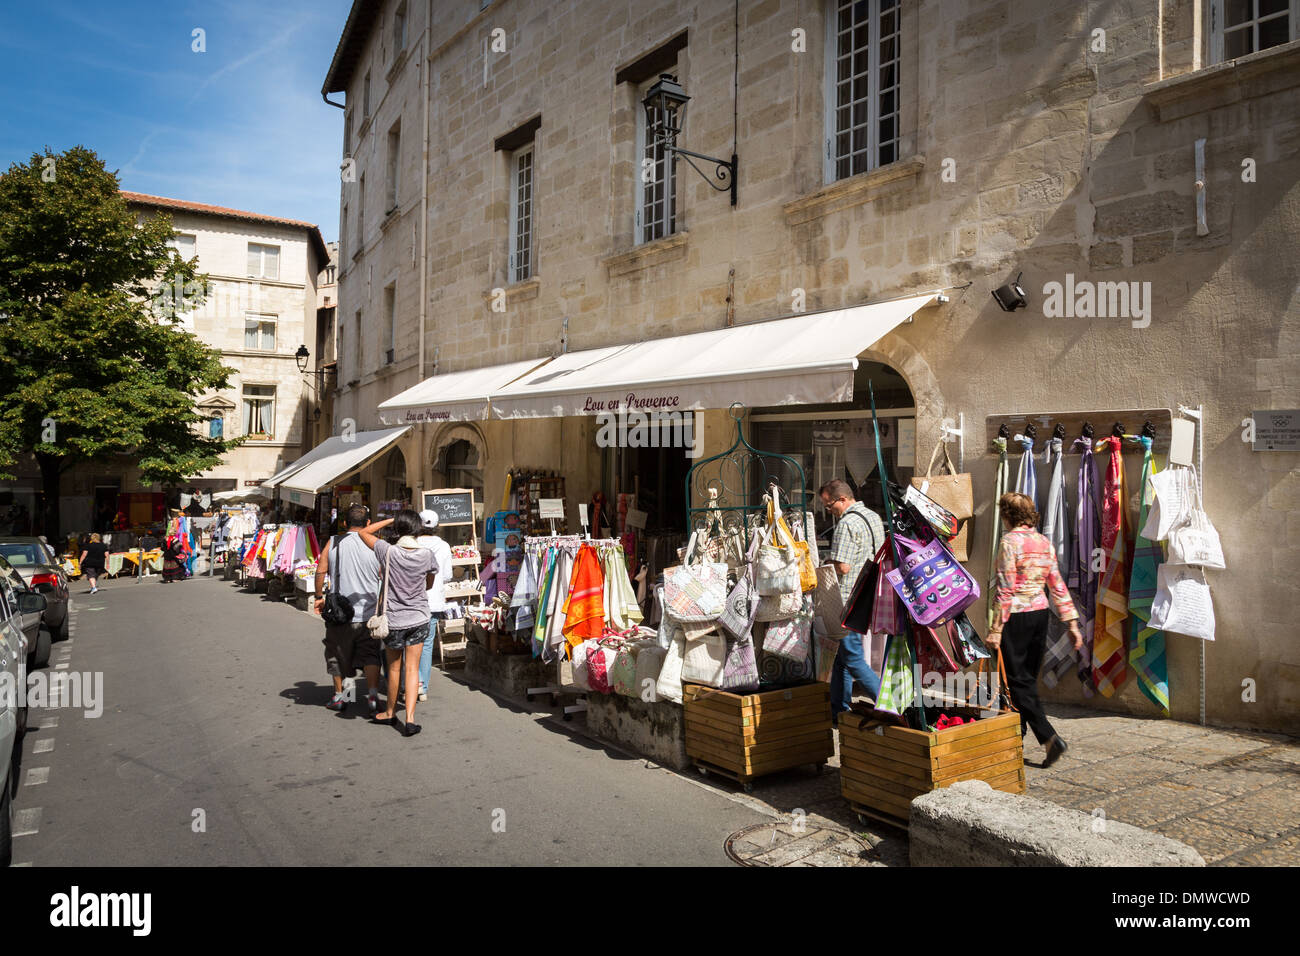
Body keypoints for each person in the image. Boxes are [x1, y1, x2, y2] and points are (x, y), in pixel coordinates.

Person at [987, 492, 1083, 768]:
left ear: (1007, 515)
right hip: (1040, 615)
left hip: (1015, 617)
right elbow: (1058, 585)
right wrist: (1072, 623)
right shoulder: (1044, 542)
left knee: (1017, 681)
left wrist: (996, 628)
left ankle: (1049, 737)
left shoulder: (1009, 542)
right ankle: (1015, 739)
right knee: (1025, 680)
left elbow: (1005, 589)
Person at [357, 509, 437, 737]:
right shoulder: (427, 554)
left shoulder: (388, 551)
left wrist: (393, 519)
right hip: (419, 618)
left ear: (397, 528)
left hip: (394, 620)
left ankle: (390, 712)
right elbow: (429, 584)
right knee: (412, 669)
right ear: (418, 529)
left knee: (394, 668)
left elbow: (364, 532)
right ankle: (410, 719)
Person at [819, 479, 887, 720]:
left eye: (829, 506)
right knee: (842, 658)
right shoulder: (873, 518)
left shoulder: (847, 523)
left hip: (847, 598)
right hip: (867, 595)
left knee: (853, 658)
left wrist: (825, 564)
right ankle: (838, 712)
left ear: (843, 500)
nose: (829, 512)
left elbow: (843, 567)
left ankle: (890, 704)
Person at [314, 504, 384, 715]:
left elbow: (321, 570)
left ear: (345, 523)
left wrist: (319, 597)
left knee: (338, 654)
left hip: (340, 613)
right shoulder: (377, 545)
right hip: (369, 612)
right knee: (371, 655)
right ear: (368, 524)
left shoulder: (334, 541)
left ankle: (342, 697)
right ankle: (372, 697)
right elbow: (384, 573)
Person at [415, 509, 454, 702]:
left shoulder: (411, 544)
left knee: (410, 643)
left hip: (412, 601)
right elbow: (447, 575)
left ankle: (410, 683)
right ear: (436, 527)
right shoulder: (444, 546)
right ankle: (422, 686)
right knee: (427, 644)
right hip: (434, 601)